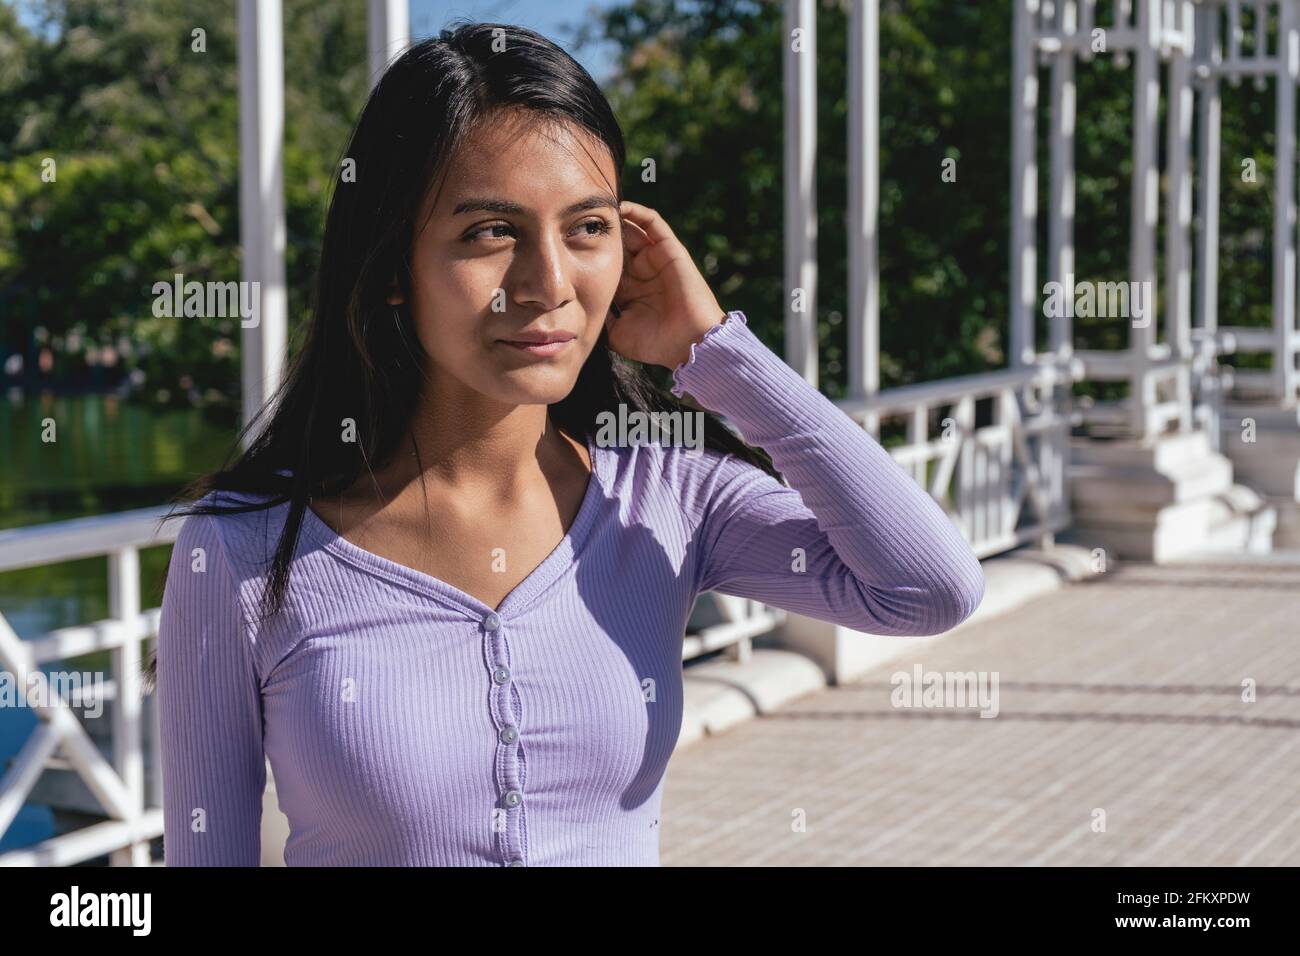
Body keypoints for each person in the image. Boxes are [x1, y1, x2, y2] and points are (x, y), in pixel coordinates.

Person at [154, 21, 985, 867]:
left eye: (587, 228)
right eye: (491, 232)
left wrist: (716, 351)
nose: (548, 284)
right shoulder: (244, 551)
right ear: (394, 266)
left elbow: (927, 588)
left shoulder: (670, 497)